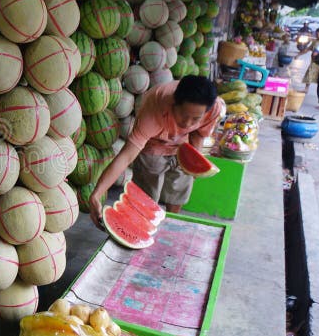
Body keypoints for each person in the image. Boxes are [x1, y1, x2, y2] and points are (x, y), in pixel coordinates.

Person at [89, 76, 225, 228]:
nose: (187, 123)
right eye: (184, 115)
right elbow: (126, 157)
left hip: (182, 145)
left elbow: (199, 133)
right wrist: (97, 194)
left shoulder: (214, 108)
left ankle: (171, 224)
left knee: (178, 193)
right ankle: (140, 228)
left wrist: (195, 157)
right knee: (145, 200)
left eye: (195, 119)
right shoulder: (153, 110)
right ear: (174, 103)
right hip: (153, 145)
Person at [302, 27, 319, 95]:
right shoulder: (315, 41)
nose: (316, 35)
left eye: (317, 34)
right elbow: (308, 49)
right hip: (314, 61)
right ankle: (306, 89)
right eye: (316, 34)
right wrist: (298, 54)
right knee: (309, 74)